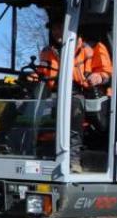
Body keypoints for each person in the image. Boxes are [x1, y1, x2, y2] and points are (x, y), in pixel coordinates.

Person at [37, 10, 112, 171]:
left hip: (83, 94)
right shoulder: (47, 52)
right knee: (21, 103)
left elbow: (107, 73)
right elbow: (41, 74)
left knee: (73, 105)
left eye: (60, 28)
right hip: (54, 94)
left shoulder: (93, 48)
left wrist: (99, 76)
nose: (57, 32)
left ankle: (73, 159)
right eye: (54, 29)